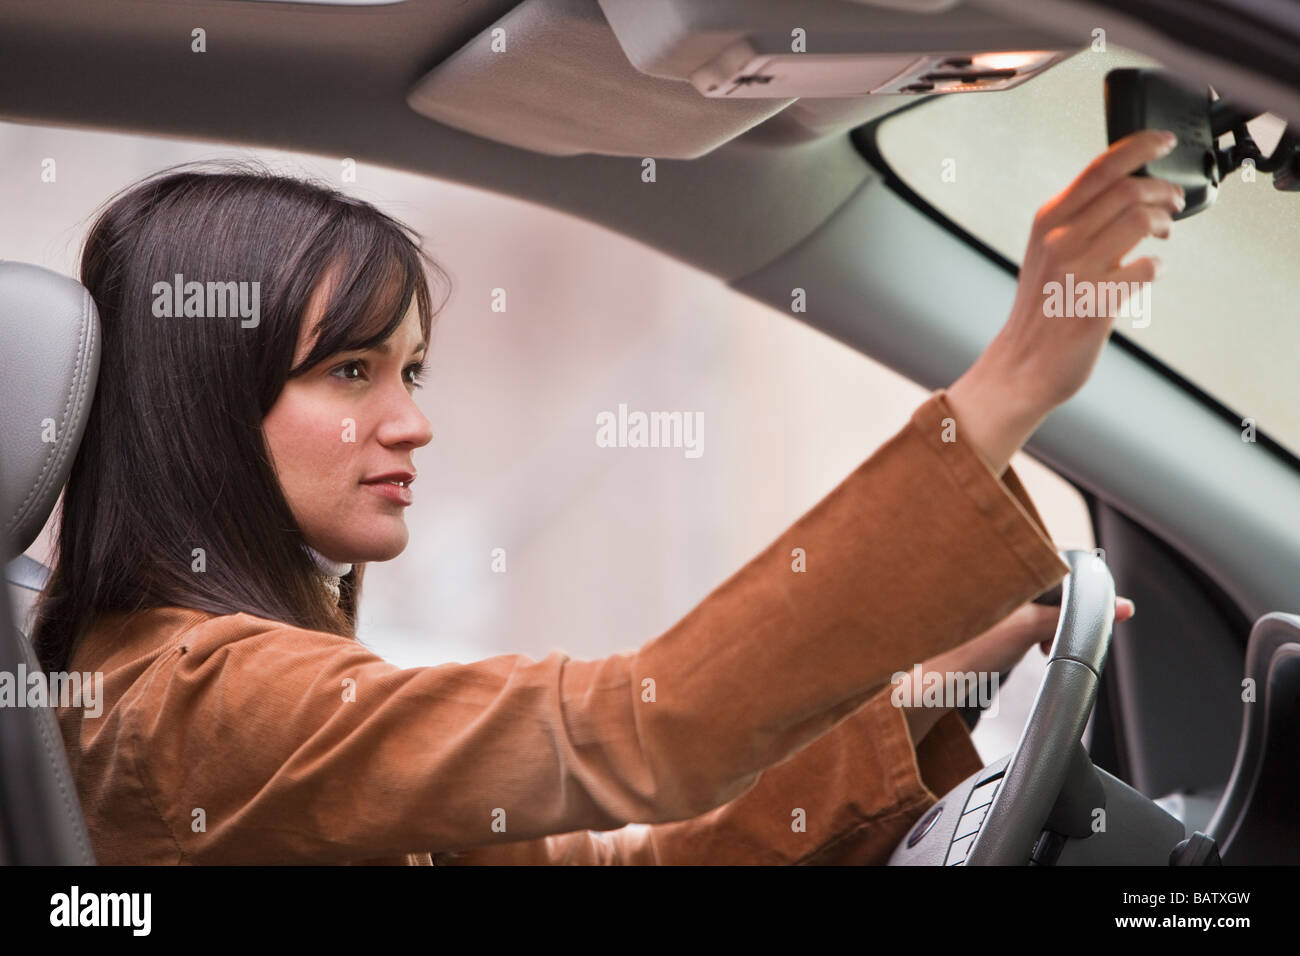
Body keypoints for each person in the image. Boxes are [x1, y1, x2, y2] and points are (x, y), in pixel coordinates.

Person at [41, 129, 1180, 865]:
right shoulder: (204, 702)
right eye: (351, 370)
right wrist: (1011, 384)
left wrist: (932, 680)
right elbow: (649, 726)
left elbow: (633, 862)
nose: (412, 420)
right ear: (201, 399)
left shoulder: (188, 680)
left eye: (412, 370)